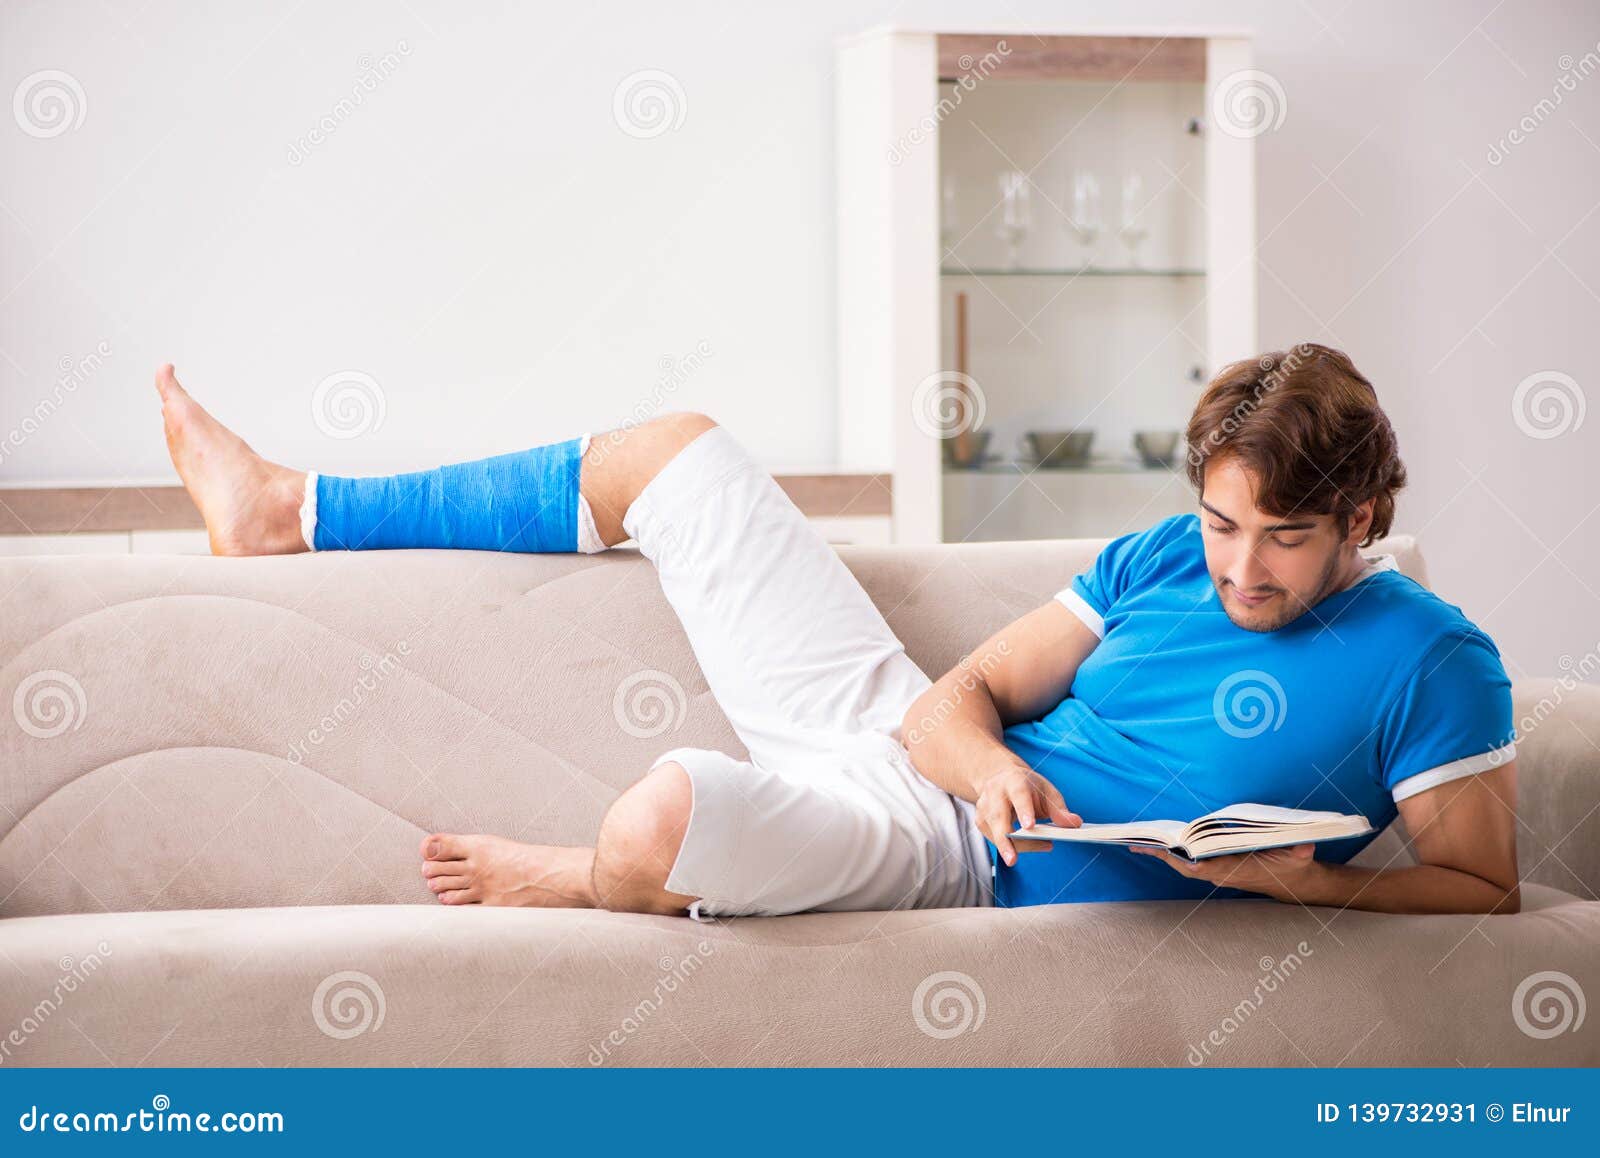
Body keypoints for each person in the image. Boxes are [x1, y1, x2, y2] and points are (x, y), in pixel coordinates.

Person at [152, 342, 1520, 919]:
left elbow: (1483, 891)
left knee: (657, 815)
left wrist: (1319, 891)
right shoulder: (1169, 554)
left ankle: (576, 876)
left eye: (1281, 538)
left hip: (953, 862)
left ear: (1363, 514)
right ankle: (288, 507)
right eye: (1223, 525)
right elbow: (957, 696)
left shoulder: (1435, 662)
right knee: (677, 452)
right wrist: (985, 761)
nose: (1239, 567)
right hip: (913, 750)